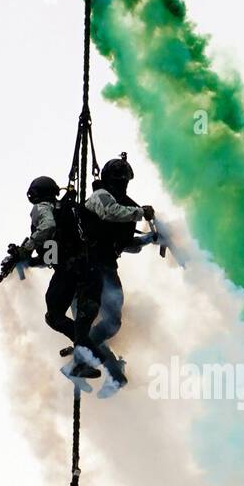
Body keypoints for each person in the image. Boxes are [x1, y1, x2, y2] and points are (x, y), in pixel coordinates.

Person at [67, 154, 157, 388]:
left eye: (125, 181)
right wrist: (139, 213)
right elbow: (110, 212)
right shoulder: (101, 197)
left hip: (105, 265)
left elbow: (126, 244)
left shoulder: (122, 206)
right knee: (93, 315)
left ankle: (82, 352)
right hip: (91, 266)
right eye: (119, 180)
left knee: (113, 321)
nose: (122, 185)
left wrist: (149, 238)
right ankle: (80, 356)